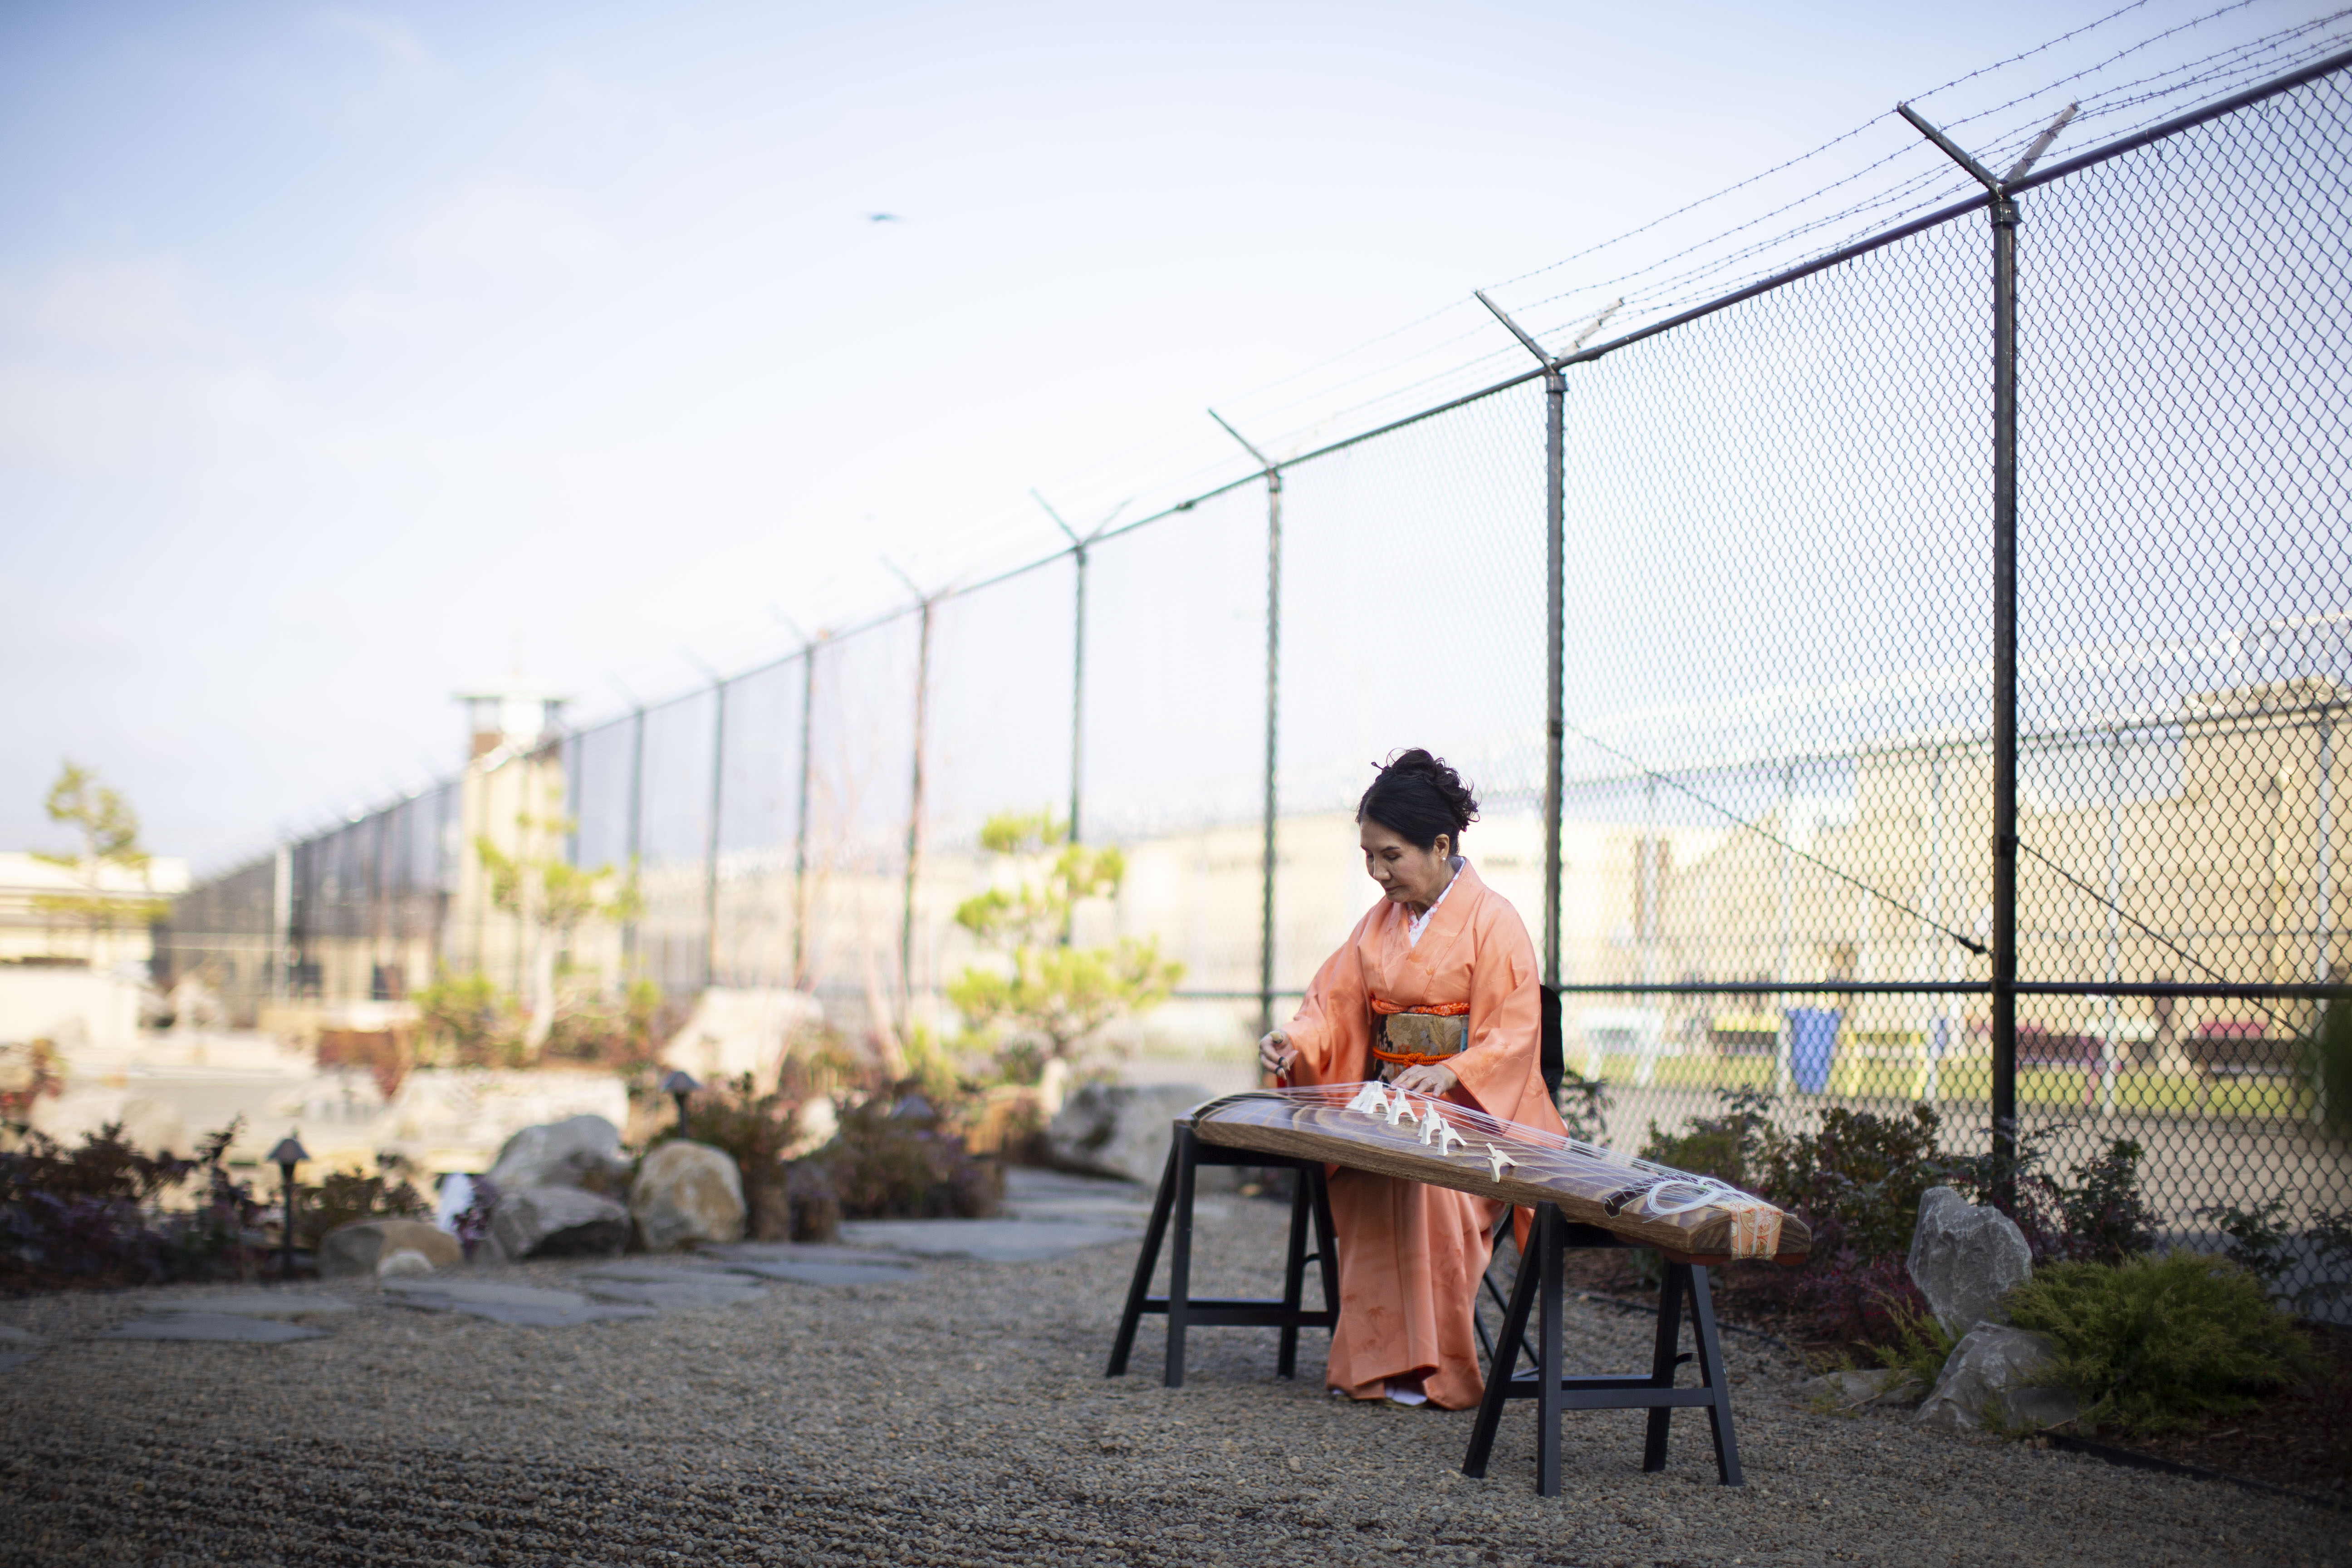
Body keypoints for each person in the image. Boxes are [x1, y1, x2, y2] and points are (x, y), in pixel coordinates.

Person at [1257, 749, 1565, 1409]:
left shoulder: (1496, 921)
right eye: (1369, 856)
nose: (1377, 872)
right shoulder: (1376, 927)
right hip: (1395, 1107)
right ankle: (1378, 1364)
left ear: (1441, 844)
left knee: (1429, 1180)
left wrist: (1452, 1071)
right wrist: (1296, 1042)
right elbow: (1332, 1010)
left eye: (1390, 855)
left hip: (1478, 1118)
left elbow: (1513, 1035)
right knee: (1371, 1165)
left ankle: (1438, 1369)